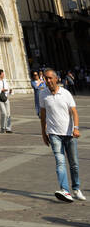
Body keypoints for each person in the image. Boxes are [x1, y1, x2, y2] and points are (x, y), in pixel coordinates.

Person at [39, 67, 84, 203]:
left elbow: (74, 112)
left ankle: (76, 188)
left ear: (56, 78)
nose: (48, 80)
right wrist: (44, 133)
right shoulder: (43, 94)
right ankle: (65, 190)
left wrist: (76, 128)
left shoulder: (66, 93)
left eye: (50, 78)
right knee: (60, 162)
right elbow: (43, 115)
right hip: (54, 134)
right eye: (45, 78)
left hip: (69, 133)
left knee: (74, 164)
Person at [0, 68, 12, 133]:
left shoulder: (5, 81)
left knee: (8, 113)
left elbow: (7, 89)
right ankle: (3, 128)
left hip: (5, 97)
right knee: (4, 113)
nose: (3, 74)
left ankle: (8, 128)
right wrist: (1, 90)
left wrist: (10, 91)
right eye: (2, 73)